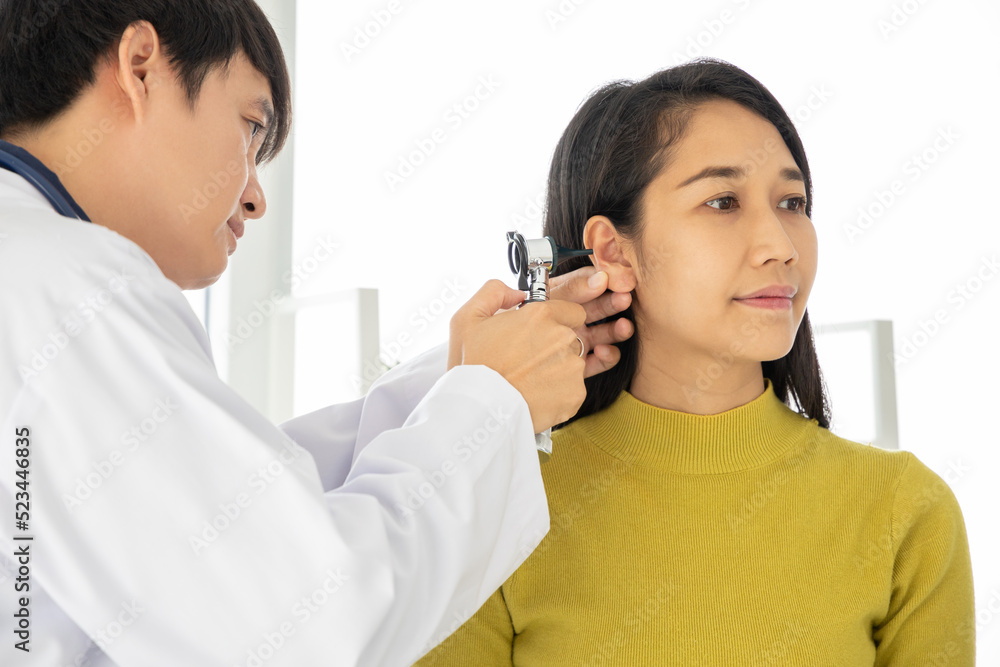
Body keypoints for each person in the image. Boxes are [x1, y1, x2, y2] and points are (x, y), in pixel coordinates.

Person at [0, 1, 634, 665]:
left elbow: (239, 512)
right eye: (250, 127)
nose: (254, 197)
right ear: (140, 67)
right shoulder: (69, 285)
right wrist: (493, 399)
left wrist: (464, 379)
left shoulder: (39, 274)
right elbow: (303, 621)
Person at [416, 60, 975, 666]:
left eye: (792, 201)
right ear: (614, 251)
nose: (781, 248)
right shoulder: (496, 508)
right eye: (722, 201)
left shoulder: (906, 513)